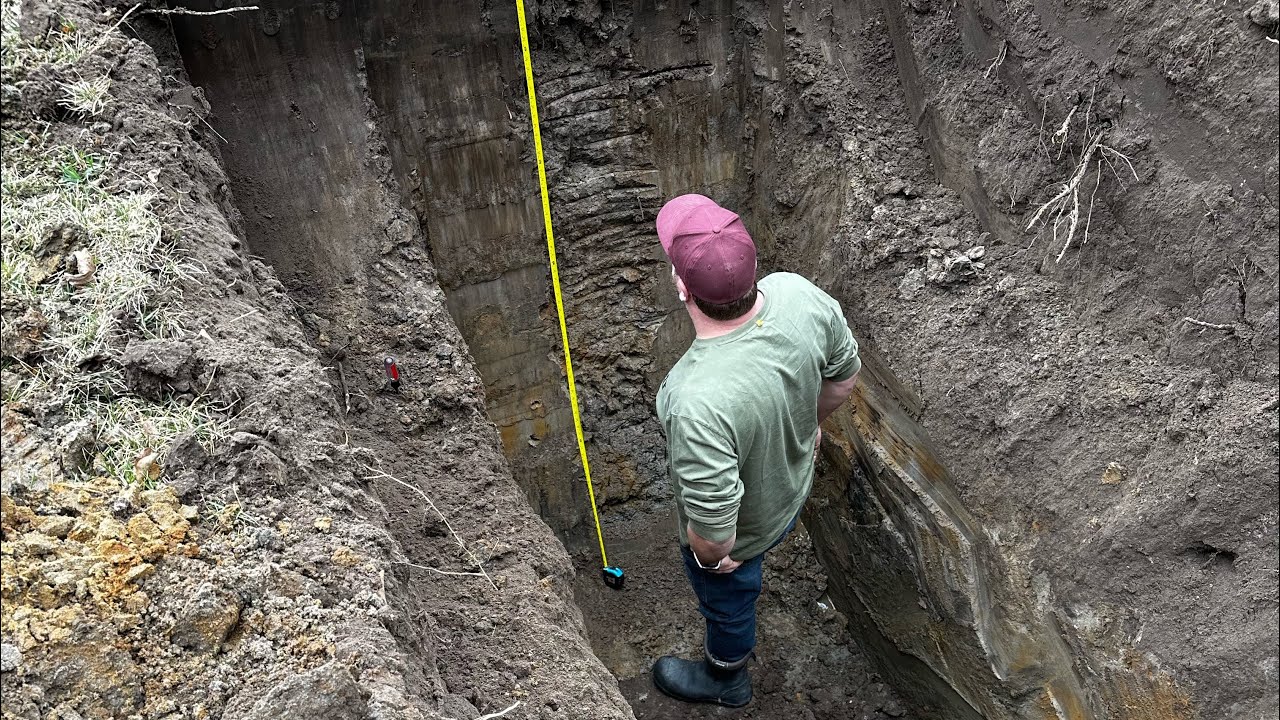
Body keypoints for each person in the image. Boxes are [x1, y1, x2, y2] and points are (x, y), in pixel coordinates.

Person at [651, 194, 861, 708]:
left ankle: (727, 679)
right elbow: (844, 377)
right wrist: (810, 423)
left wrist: (714, 558)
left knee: (729, 599)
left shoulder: (694, 398)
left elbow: (715, 532)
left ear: (682, 288)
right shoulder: (798, 294)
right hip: (791, 490)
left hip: (743, 536)